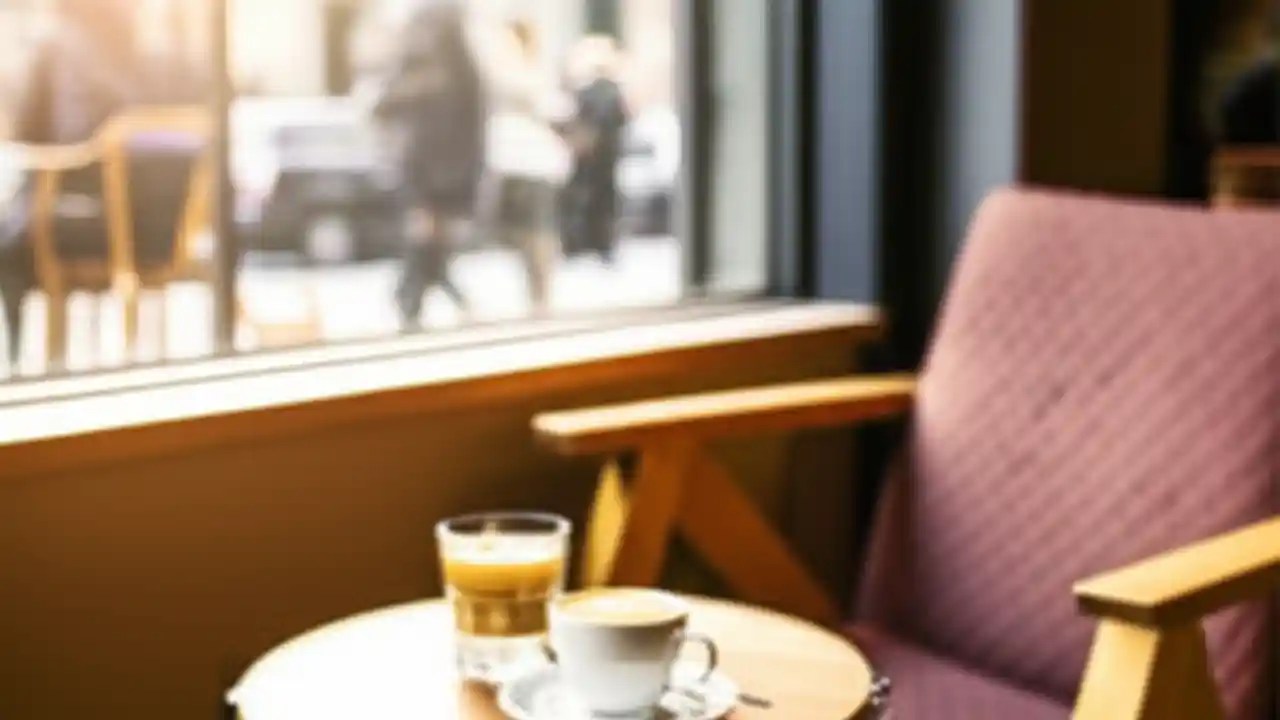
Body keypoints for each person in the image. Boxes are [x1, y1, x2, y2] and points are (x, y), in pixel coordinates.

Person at [0, 0, 145, 369]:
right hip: (155, 223)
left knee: (10, 233)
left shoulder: (56, 46)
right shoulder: (146, 51)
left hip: (80, 218)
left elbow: (24, 132)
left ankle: (16, 362)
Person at [375, 0, 485, 330]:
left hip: (435, 164)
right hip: (431, 165)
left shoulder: (437, 68)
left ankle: (413, 298)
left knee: (429, 238)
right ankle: (417, 298)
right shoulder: (439, 67)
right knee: (429, 238)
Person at [480, 19, 570, 314]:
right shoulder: (493, 74)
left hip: (534, 164)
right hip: (506, 164)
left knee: (537, 231)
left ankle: (541, 295)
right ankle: (535, 292)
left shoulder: (531, 74)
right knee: (515, 231)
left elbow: (557, 108)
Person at [559, 37, 628, 264]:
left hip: (591, 157)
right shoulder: (612, 92)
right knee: (602, 202)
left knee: (583, 199)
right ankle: (600, 244)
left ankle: (579, 244)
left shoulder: (589, 92)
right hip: (606, 157)